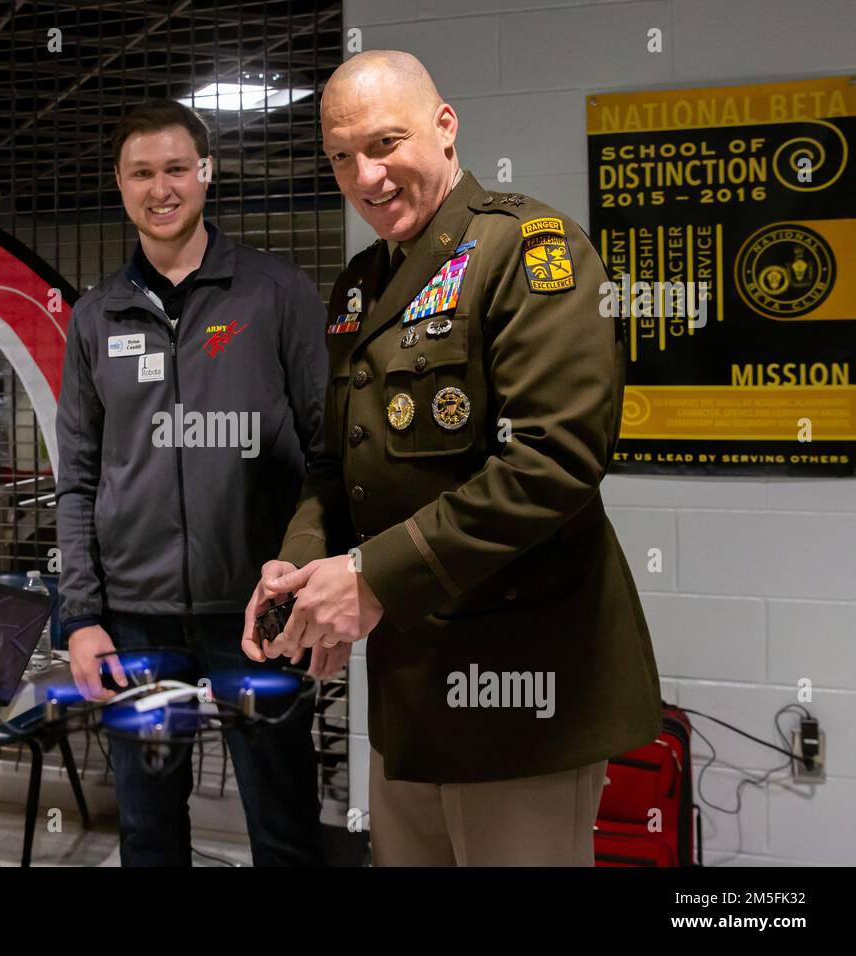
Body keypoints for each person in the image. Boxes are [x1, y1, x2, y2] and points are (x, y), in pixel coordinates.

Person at [242, 51, 663, 866]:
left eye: (385, 142)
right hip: (412, 690)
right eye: (340, 157)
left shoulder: (527, 252)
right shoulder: (363, 284)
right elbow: (336, 464)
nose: (365, 176)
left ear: (445, 126)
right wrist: (298, 572)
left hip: (523, 692)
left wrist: (367, 577)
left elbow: (554, 462)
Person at [56, 99, 332, 866]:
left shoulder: (276, 294)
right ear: (120, 184)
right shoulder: (95, 317)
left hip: (259, 613)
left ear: (206, 173)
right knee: (147, 834)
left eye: (177, 168)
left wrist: (310, 587)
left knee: (284, 828)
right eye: (142, 172)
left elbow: (328, 456)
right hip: (134, 621)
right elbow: (77, 479)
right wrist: (81, 616)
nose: (161, 187)